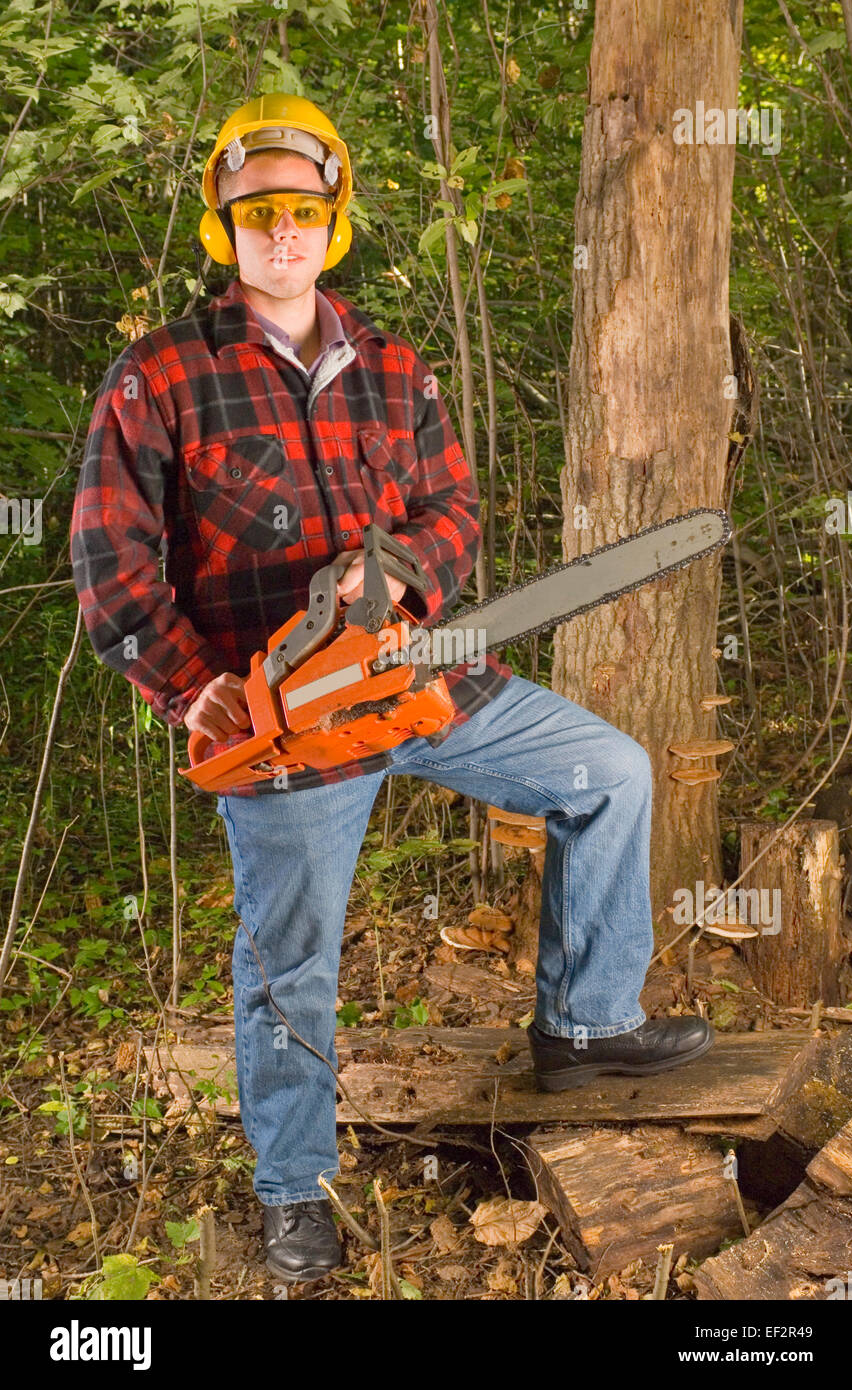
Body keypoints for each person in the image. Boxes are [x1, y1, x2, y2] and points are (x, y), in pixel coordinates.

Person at [71, 93, 714, 1287]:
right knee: (289, 957)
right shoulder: (160, 373)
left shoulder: (395, 365)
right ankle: (292, 1187)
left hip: (420, 674)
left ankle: (582, 1026)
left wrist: (398, 568)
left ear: (334, 220)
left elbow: (452, 510)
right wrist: (193, 685)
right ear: (225, 224)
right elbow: (109, 561)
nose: (282, 233)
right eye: (258, 212)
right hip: (288, 722)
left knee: (608, 773)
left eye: (302, 212)